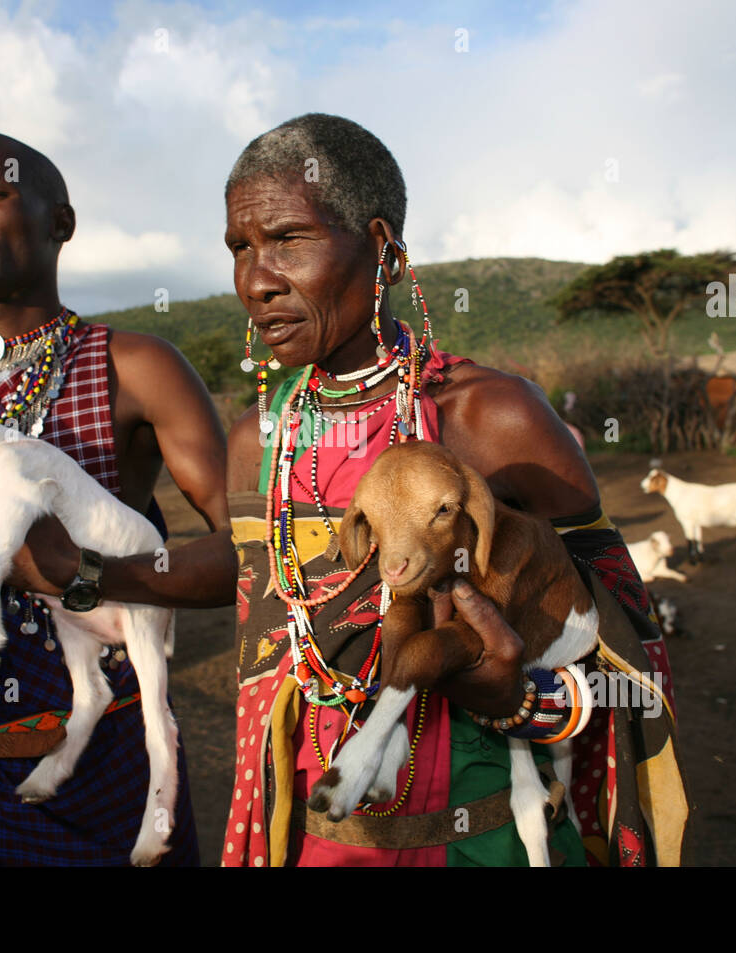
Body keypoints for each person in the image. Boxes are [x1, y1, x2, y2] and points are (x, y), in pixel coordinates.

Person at [221, 114, 688, 867]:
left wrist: (521, 700)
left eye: (288, 240)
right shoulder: (257, 440)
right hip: (313, 831)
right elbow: (262, 626)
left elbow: (624, 640)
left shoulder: (492, 417)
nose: (257, 279)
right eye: (240, 248)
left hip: (492, 828)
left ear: (384, 250)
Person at [0, 131, 235, 865]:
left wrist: (87, 577)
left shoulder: (137, 367)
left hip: (100, 784)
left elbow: (253, 550)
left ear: (61, 222)